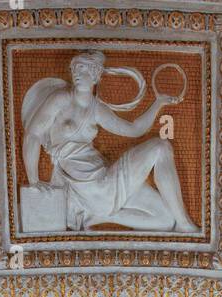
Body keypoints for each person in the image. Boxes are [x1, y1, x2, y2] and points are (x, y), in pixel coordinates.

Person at [21, 49, 197, 232]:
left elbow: (134, 129)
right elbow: (33, 134)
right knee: (160, 147)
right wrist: (33, 180)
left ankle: (95, 216)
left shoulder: (97, 109)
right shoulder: (61, 99)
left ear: (95, 75)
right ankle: (184, 224)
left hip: (102, 175)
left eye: (83, 69)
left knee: (165, 219)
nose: (77, 74)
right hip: (87, 183)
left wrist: (158, 103)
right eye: (75, 69)